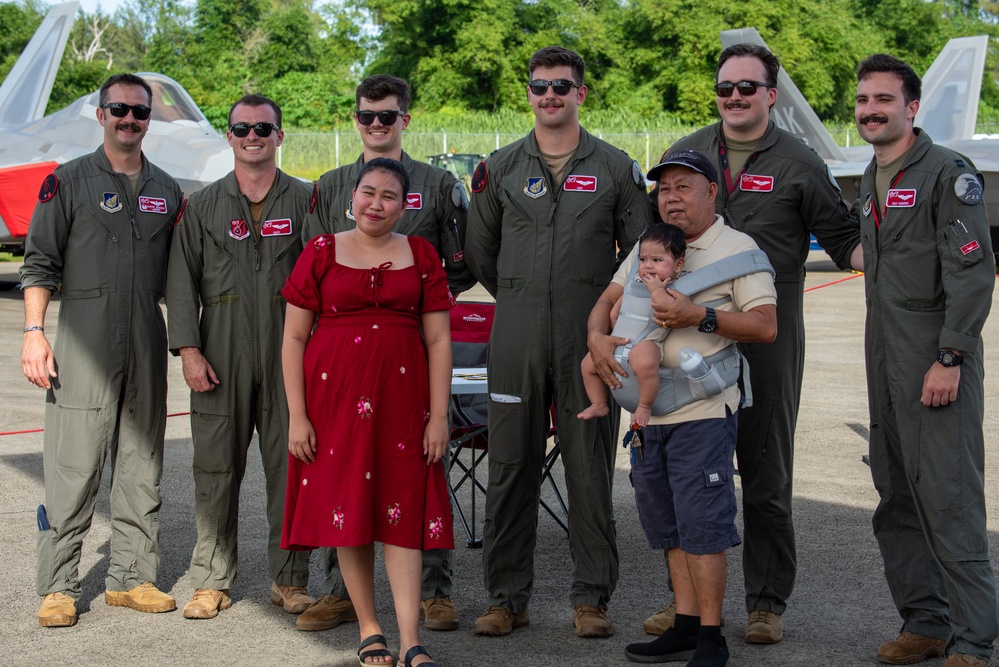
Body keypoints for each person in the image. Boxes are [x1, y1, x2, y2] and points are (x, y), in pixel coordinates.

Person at [646, 43, 863, 643]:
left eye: (748, 87)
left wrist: (914, 259)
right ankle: (687, 605)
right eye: (725, 88)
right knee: (684, 470)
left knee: (764, 470)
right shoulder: (685, 154)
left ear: (771, 94)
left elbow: (846, 243)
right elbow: (654, 236)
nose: (735, 97)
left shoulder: (799, 160)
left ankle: (766, 602)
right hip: (684, 338)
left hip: (766, 334)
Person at [465, 45, 651, 638]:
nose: (551, 96)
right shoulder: (499, 168)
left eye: (562, 87)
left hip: (589, 340)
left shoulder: (618, 168)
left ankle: (592, 598)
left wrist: (595, 314)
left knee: (589, 468)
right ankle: (506, 598)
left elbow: (640, 258)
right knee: (511, 467)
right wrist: (521, 295)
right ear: (529, 93)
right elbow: (480, 253)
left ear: (581, 93)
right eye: (540, 86)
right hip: (516, 334)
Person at [298, 74, 471, 634]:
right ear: (356, 120)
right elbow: (310, 284)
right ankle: (341, 593)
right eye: (368, 115)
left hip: (407, 360)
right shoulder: (327, 186)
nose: (377, 125)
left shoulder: (440, 184)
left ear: (405, 119)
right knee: (342, 479)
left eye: (387, 116)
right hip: (341, 370)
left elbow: (454, 270)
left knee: (415, 474)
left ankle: (434, 592)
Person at [593, 148, 776, 667]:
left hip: (701, 411)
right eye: (664, 188)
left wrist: (698, 315)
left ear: (711, 193)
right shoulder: (651, 246)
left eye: (683, 187)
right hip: (650, 413)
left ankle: (712, 638)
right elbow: (609, 300)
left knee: (702, 526)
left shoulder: (738, 249)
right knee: (669, 525)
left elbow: (765, 326)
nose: (671, 198)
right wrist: (595, 339)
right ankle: (686, 626)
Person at [21, 72, 184, 627]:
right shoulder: (66, 183)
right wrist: (34, 333)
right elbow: (38, 263)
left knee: (141, 463)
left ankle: (133, 577)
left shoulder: (168, 189)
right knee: (74, 464)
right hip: (83, 340)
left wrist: (191, 342)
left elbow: (179, 279)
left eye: (139, 112)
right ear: (101, 114)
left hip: (145, 336)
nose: (129, 120)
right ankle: (59, 585)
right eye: (119, 109)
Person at [281, 157, 455, 667]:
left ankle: (410, 639)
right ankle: (368, 627)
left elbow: (440, 338)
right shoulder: (320, 251)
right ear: (351, 196)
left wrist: (439, 415)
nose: (376, 204)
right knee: (348, 513)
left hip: (403, 406)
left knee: (402, 513)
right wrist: (298, 416)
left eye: (389, 196)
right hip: (332, 405)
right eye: (368, 192)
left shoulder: (421, 254)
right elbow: (293, 338)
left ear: (405, 206)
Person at [853, 54, 997, 667]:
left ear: (912, 107)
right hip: (884, 363)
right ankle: (926, 623)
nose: (870, 110)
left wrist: (950, 356)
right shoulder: (870, 176)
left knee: (949, 499)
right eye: (863, 100)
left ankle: (974, 637)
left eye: (883, 100)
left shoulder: (947, 172)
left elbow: (972, 271)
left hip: (934, 364)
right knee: (898, 499)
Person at [165, 94, 314, 620]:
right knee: (214, 469)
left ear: (279, 135)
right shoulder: (202, 206)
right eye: (242, 127)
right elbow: (179, 281)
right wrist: (188, 349)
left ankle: (290, 579)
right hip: (219, 350)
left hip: (288, 350)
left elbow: (323, 278)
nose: (253, 135)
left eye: (263, 127)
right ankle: (210, 578)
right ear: (228, 136)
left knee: (292, 467)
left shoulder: (306, 201)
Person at [578, 223, 686, 427]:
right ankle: (599, 402)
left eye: (657, 260)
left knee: (644, 362)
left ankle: (645, 405)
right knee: (587, 364)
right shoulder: (633, 281)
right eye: (643, 259)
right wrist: (614, 326)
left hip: (648, 340)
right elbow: (618, 306)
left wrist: (656, 289)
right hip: (621, 336)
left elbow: (668, 310)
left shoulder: (669, 288)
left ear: (677, 265)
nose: (648, 266)